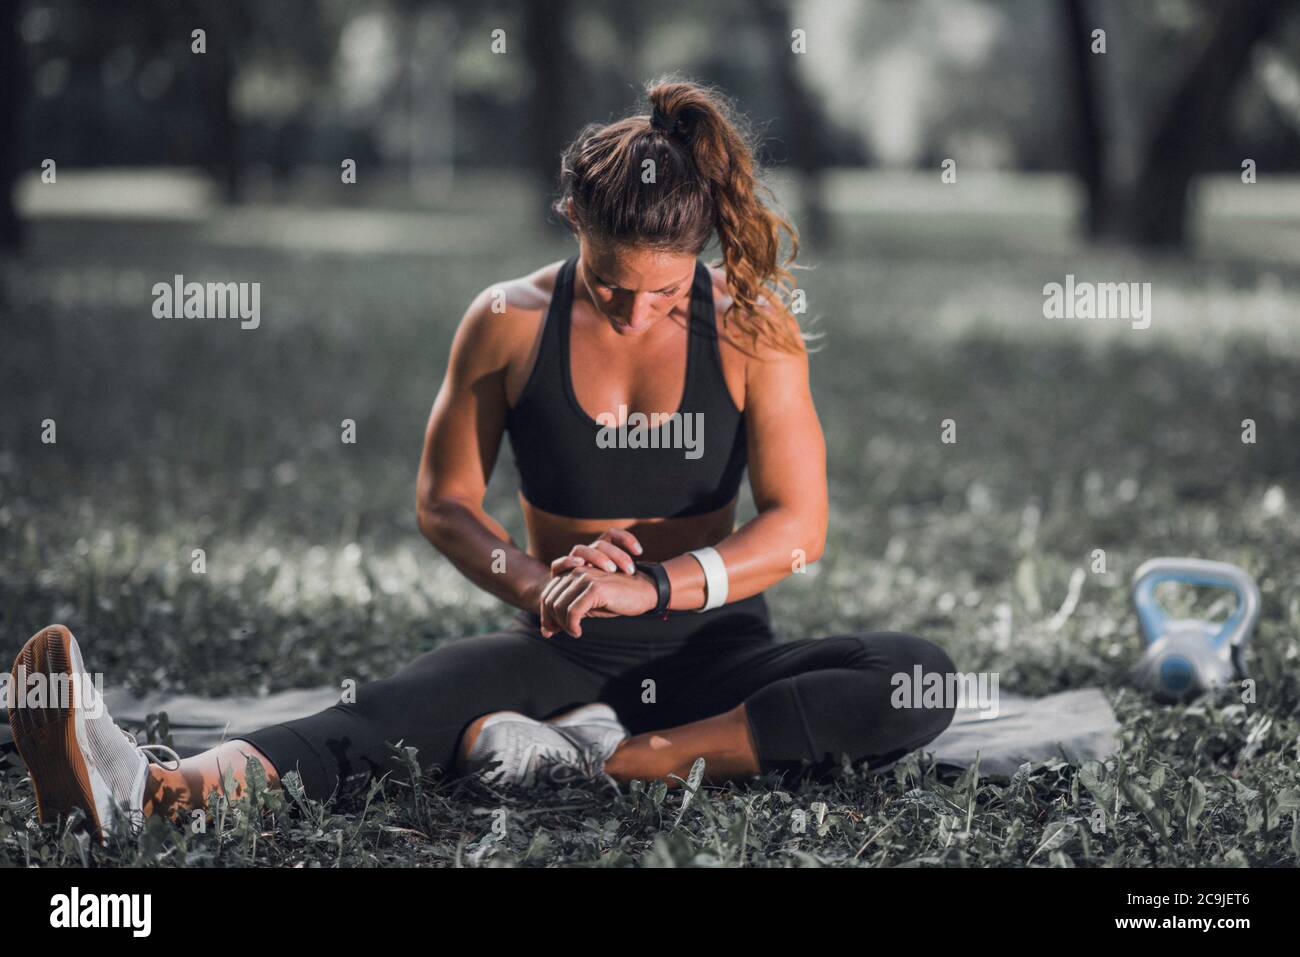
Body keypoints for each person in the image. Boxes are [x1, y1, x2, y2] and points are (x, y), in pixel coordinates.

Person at [8, 78, 957, 842]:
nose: (633, 314)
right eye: (608, 285)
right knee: (381, 714)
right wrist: (537, 581)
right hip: (560, 642)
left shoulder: (755, 329)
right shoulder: (506, 322)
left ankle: (633, 757)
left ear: (700, 247)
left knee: (916, 676)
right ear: (571, 224)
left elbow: (801, 527)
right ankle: (151, 788)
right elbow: (445, 501)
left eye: (663, 294)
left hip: (718, 648)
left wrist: (656, 588)